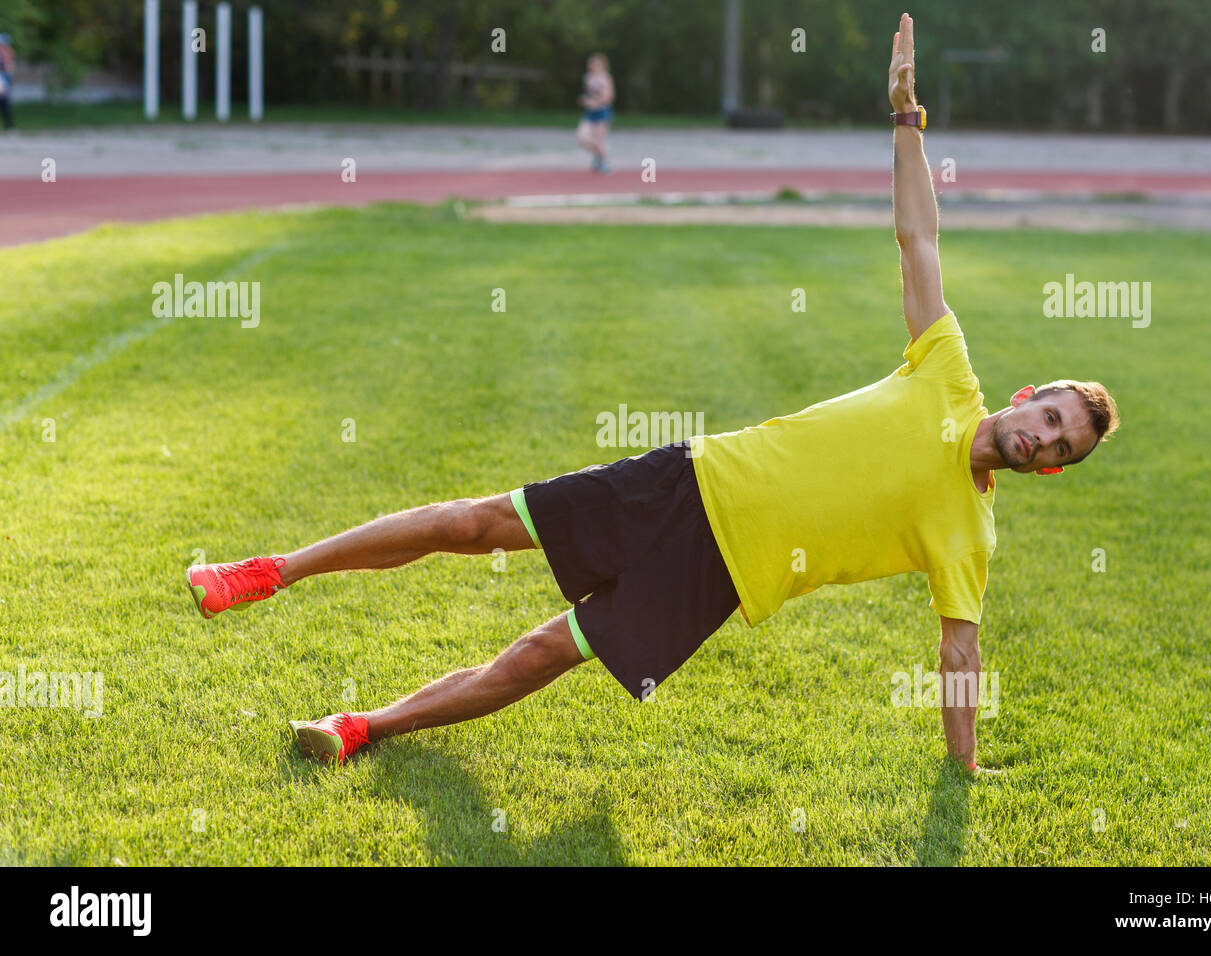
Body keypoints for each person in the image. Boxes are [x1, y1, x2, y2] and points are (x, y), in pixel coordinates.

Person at [186, 13, 1118, 772]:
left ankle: (361, 728)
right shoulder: (948, 370)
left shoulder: (971, 534)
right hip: (685, 479)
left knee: (541, 655)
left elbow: (961, 654)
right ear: (1030, 394)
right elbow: (921, 243)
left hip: (711, 579)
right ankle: (268, 572)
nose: (1043, 436)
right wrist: (907, 121)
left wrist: (964, 768)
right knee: (476, 524)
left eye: (1059, 445)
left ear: (1051, 471)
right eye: (1050, 415)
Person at [576, 52, 614, 174]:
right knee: (582, 138)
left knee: (598, 141)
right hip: (590, 113)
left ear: (602, 65)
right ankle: (599, 156)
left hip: (602, 113)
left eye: (596, 64)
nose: (593, 66)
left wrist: (595, 102)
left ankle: (605, 162)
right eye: (591, 64)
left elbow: (608, 97)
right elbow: (589, 95)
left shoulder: (605, 78)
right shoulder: (588, 77)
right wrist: (586, 100)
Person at [0, 34, 15, 132]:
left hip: (3, 80)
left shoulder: (7, 53)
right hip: (3, 80)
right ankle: (9, 126)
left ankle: (9, 126)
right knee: (4, 103)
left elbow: (10, 69)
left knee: (4, 102)